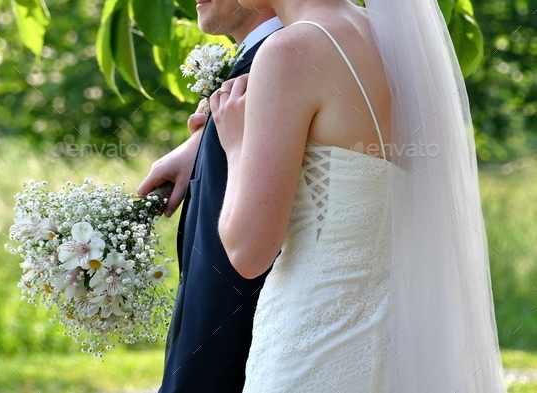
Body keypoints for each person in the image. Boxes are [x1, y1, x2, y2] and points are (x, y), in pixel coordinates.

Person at [211, 0, 507, 391]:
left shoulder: (290, 52)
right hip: (405, 342)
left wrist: (235, 145)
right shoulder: (396, 45)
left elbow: (248, 251)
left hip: (315, 346)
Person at [138, 2, 283, 392]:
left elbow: (239, 262)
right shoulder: (253, 65)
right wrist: (200, 144)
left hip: (230, 350)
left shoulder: (280, 65)